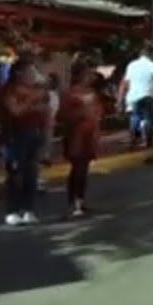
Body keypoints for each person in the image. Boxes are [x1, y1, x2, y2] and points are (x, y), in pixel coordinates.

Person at [1, 58, 49, 226]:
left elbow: (44, 112)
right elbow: (15, 111)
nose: (32, 75)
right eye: (29, 71)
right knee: (15, 173)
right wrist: (30, 100)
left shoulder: (39, 91)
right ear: (19, 73)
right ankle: (12, 210)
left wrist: (44, 134)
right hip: (16, 135)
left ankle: (28, 209)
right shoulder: (10, 90)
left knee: (31, 174)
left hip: (34, 133)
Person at [57, 62, 102, 219]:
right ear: (81, 75)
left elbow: (97, 112)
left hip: (90, 135)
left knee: (84, 168)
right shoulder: (71, 93)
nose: (92, 76)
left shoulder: (91, 92)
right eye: (88, 73)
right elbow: (64, 115)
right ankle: (74, 202)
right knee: (78, 169)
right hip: (76, 135)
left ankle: (80, 201)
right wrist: (82, 114)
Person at [119, 44, 153, 149]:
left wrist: (120, 99)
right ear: (150, 54)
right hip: (148, 95)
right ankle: (147, 142)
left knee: (135, 117)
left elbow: (125, 82)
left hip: (133, 96)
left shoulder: (132, 65)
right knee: (148, 119)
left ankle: (133, 141)